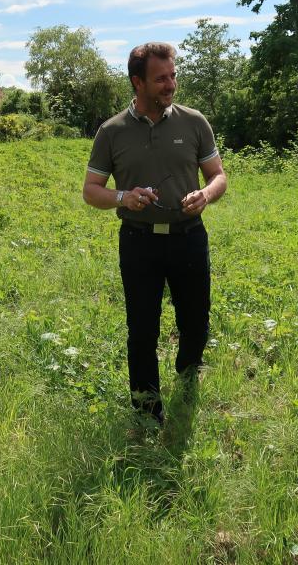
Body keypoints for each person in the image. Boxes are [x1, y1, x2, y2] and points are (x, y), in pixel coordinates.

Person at [83, 42, 227, 424]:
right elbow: (91, 191)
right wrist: (123, 197)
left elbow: (218, 175)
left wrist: (206, 195)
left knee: (195, 319)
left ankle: (188, 375)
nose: (171, 84)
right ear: (138, 82)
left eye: (173, 75)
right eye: (161, 78)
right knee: (142, 327)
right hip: (139, 242)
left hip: (188, 237)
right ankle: (147, 411)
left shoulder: (194, 122)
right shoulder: (111, 132)